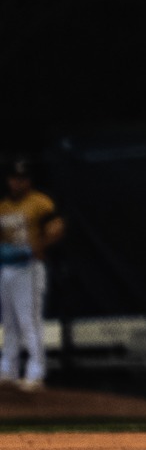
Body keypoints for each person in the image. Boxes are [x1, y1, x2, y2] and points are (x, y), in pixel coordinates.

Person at [0, 156, 63, 392]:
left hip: (30, 268)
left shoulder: (39, 202)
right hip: (6, 269)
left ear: (29, 180)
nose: (18, 183)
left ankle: (36, 373)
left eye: (23, 178)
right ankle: (7, 371)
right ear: (8, 180)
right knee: (8, 322)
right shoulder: (3, 206)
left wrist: (40, 246)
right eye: (15, 178)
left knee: (29, 321)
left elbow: (57, 226)